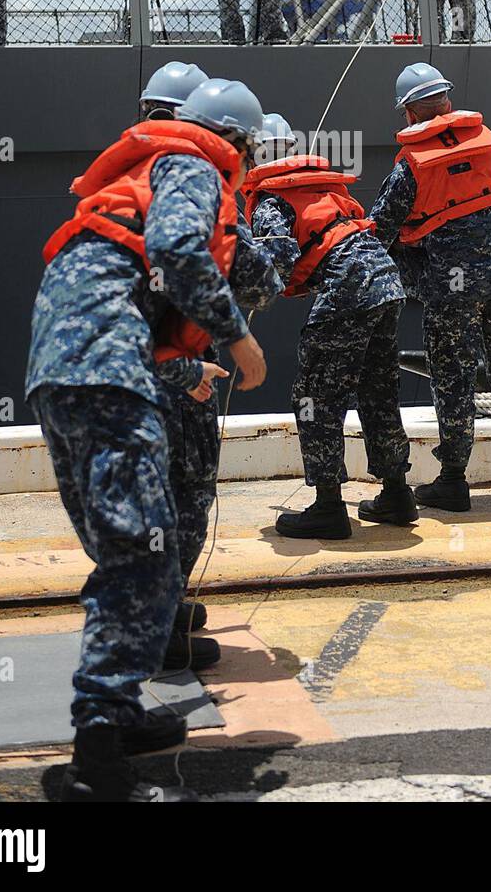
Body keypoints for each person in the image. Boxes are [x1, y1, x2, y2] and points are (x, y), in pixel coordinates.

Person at [26, 78, 267, 802]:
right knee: (145, 557)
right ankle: (96, 767)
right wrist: (239, 338)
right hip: (107, 369)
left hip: (60, 371)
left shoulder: (143, 170)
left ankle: (117, 715)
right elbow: (177, 248)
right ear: (240, 145)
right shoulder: (194, 166)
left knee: (126, 549)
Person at [137, 68, 284, 673]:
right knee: (185, 499)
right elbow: (244, 268)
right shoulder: (196, 182)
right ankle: (158, 639)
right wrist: (239, 336)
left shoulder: (139, 169)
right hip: (160, 368)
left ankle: (163, 614)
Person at [370, 63, 491, 512]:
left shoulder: (410, 168)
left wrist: (413, 276)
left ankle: (452, 479)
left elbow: (380, 233)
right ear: (447, 102)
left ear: (409, 114)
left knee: (454, 380)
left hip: (450, 292)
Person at [244, 114, 414, 539]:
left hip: (349, 287)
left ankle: (328, 506)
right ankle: (396, 492)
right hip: (384, 277)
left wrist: (246, 302)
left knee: (314, 396)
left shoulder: (270, 200)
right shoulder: (321, 187)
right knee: (377, 388)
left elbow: (279, 255)